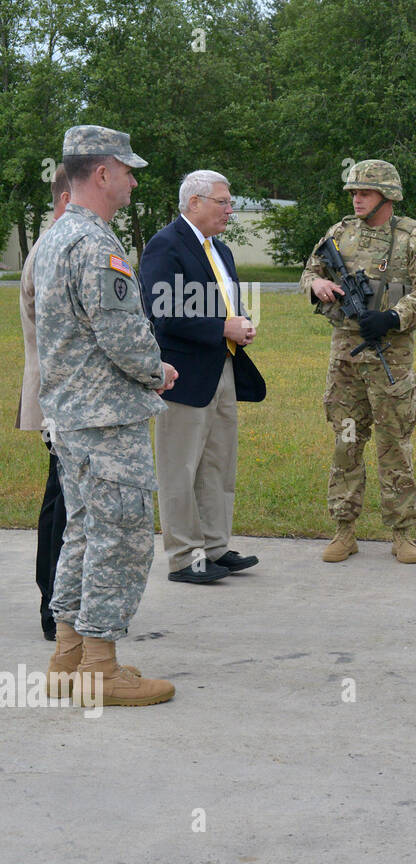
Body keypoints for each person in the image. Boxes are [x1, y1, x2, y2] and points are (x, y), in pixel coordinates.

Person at [32, 125, 179, 706]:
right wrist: (156, 369)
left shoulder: (53, 238)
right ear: (100, 173)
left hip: (69, 415)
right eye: (127, 170)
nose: (132, 180)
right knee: (121, 537)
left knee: (82, 531)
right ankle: (101, 667)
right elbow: (120, 334)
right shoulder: (96, 245)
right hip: (105, 418)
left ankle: (68, 657)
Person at [300, 159, 416, 564]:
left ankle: (402, 534)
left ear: (387, 195)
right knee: (346, 441)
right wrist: (319, 285)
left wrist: (394, 316)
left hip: (390, 357)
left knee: (393, 443)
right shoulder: (338, 234)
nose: (356, 199)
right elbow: (309, 272)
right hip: (344, 356)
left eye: (364, 192)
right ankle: (344, 530)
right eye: (353, 193)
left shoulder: (415, 237)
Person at [141, 169, 266, 584]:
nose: (230, 210)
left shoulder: (220, 248)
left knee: (217, 464)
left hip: (223, 368)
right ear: (194, 203)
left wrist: (240, 321)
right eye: (223, 202)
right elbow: (163, 313)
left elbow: (223, 299)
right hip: (183, 376)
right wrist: (221, 328)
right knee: (180, 467)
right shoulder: (165, 246)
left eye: (230, 203)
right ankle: (184, 558)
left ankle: (215, 548)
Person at [18, 163, 71, 640]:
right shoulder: (53, 249)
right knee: (61, 503)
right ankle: (54, 606)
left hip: (61, 395)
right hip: (59, 398)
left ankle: (60, 602)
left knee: (63, 500)